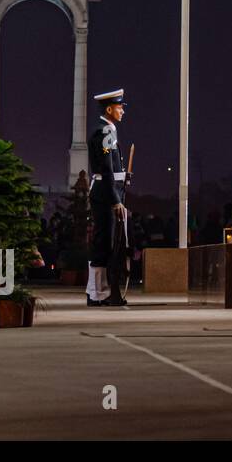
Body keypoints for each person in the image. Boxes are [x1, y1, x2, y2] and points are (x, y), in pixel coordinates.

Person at [87, 88, 131, 307]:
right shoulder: (106, 132)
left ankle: (98, 291)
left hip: (106, 190)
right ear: (109, 108)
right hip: (105, 193)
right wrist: (115, 199)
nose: (123, 111)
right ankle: (97, 293)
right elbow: (105, 168)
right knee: (103, 242)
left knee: (105, 242)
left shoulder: (107, 130)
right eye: (120, 107)